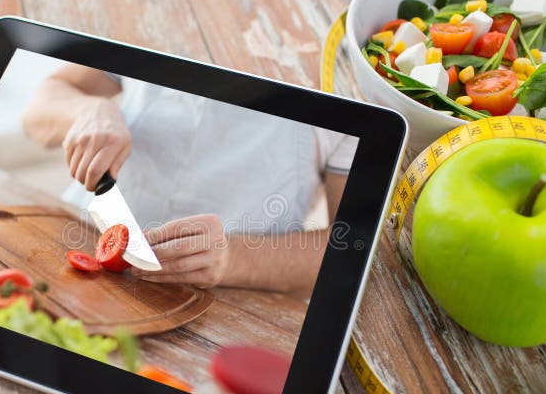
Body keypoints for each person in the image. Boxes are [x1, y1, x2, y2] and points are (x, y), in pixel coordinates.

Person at [22, 64, 356, 294]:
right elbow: (38, 110)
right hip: (78, 241)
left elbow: (351, 248)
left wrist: (234, 259)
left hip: (229, 302)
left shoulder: (348, 79)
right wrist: (84, 111)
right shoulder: (154, 4)